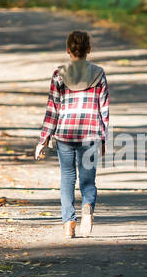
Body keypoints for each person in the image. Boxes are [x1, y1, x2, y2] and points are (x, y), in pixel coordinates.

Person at [35, 30, 109, 238]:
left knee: (67, 177)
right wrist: (103, 138)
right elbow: (104, 109)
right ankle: (87, 207)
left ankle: (68, 222)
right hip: (90, 133)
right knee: (88, 179)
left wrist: (43, 139)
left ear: (68, 50)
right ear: (89, 50)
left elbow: (53, 109)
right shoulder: (99, 73)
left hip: (65, 133)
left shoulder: (59, 74)